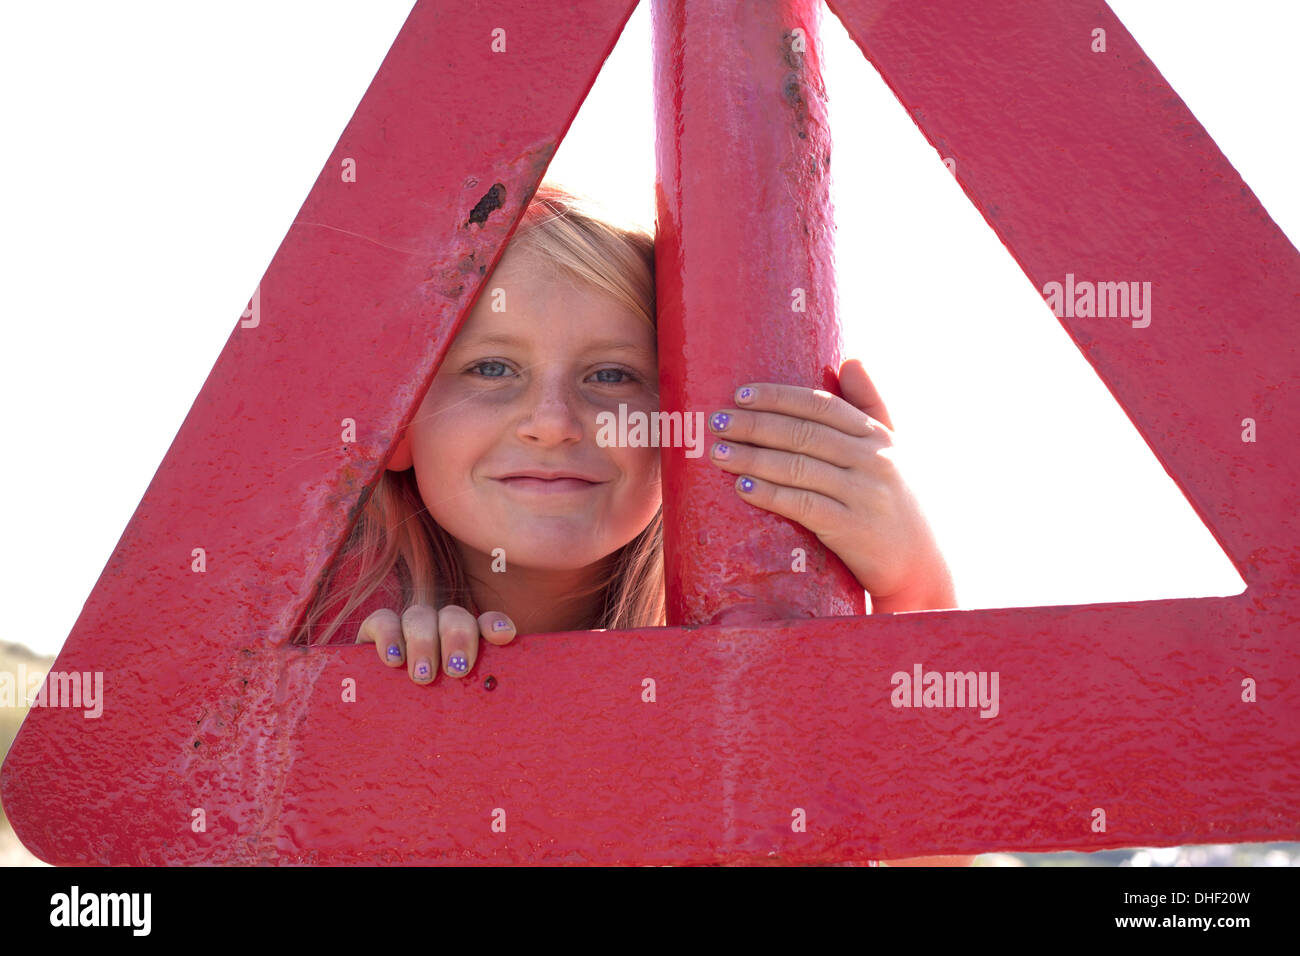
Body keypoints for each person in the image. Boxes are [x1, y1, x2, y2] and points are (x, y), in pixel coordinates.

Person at [292, 179, 970, 866]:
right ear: (398, 425)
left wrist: (912, 585)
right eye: (492, 367)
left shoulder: (752, 660)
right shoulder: (298, 630)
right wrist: (400, 702)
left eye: (613, 376)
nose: (552, 423)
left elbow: (935, 856)